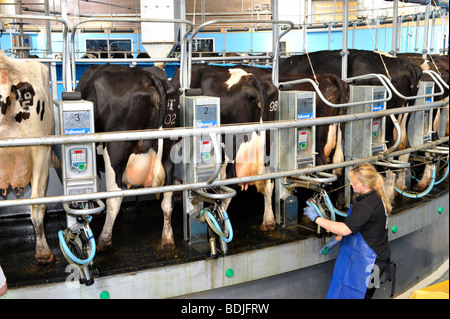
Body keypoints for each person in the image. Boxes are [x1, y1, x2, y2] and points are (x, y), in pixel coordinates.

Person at [304, 163, 395, 299]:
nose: (351, 184)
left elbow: (345, 229)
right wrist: (336, 239)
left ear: (365, 184)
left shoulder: (367, 205)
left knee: (362, 295)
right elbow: (361, 227)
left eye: (355, 182)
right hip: (372, 258)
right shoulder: (371, 197)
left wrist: (316, 218)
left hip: (373, 263)